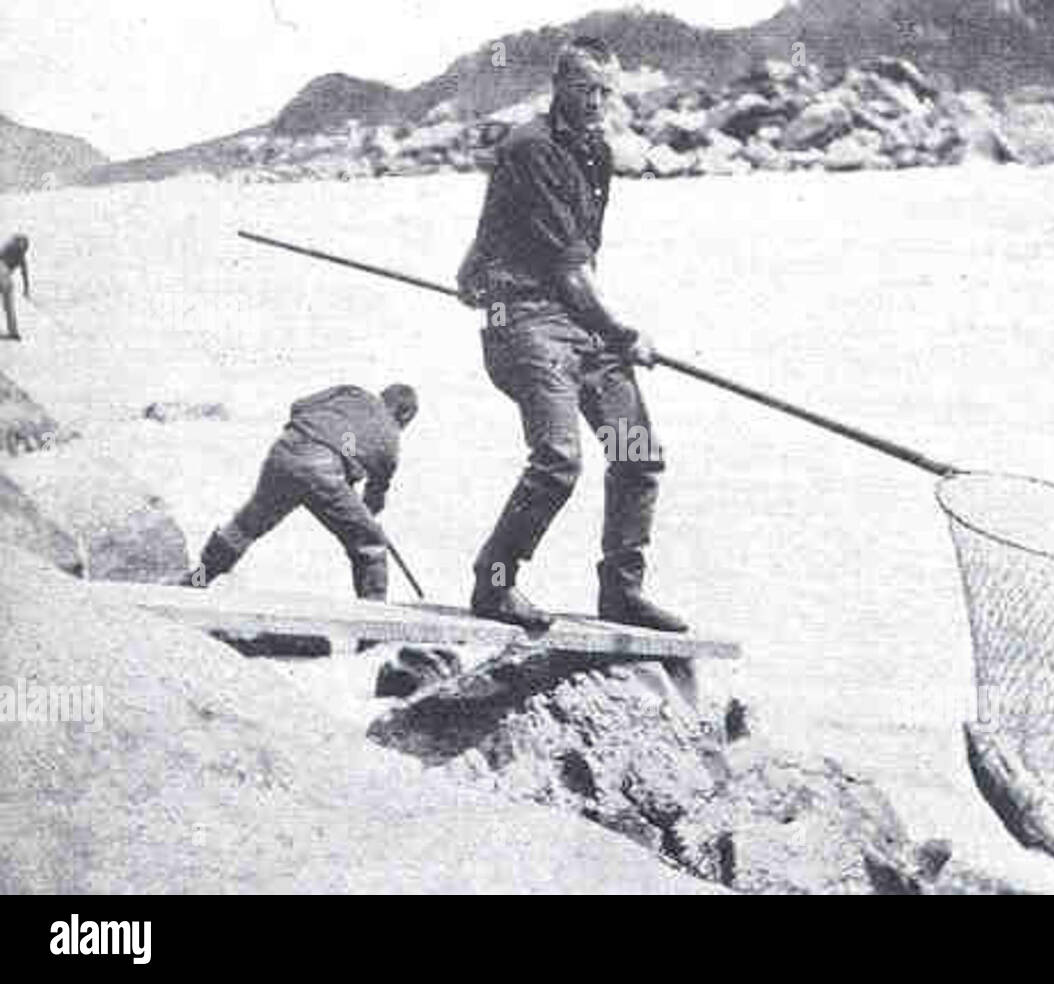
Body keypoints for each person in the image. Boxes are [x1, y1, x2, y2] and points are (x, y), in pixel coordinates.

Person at [456, 36, 687, 633]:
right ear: (559, 85)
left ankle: (622, 592)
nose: (598, 102)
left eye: (607, 91)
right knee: (558, 460)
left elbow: (553, 248)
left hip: (576, 318)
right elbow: (568, 268)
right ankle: (495, 583)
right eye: (586, 89)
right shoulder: (529, 148)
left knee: (637, 457)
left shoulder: (596, 153)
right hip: (526, 320)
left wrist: (470, 268)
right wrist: (625, 332)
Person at [180, 383, 419, 600]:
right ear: (404, 414)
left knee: (243, 528)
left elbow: (298, 406)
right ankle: (372, 627)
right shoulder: (391, 441)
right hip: (324, 472)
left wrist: (332, 440)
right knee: (371, 543)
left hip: (284, 452)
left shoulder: (352, 392)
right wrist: (345, 475)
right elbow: (373, 502)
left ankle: (196, 581)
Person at [1, 234, 29, 341]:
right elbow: (24, 274)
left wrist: (26, 289)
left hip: (4, 275)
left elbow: (24, 273)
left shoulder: (10, 248)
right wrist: (26, 289)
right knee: (8, 305)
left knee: (8, 304)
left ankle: (13, 332)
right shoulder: (20, 256)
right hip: (5, 277)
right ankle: (13, 331)